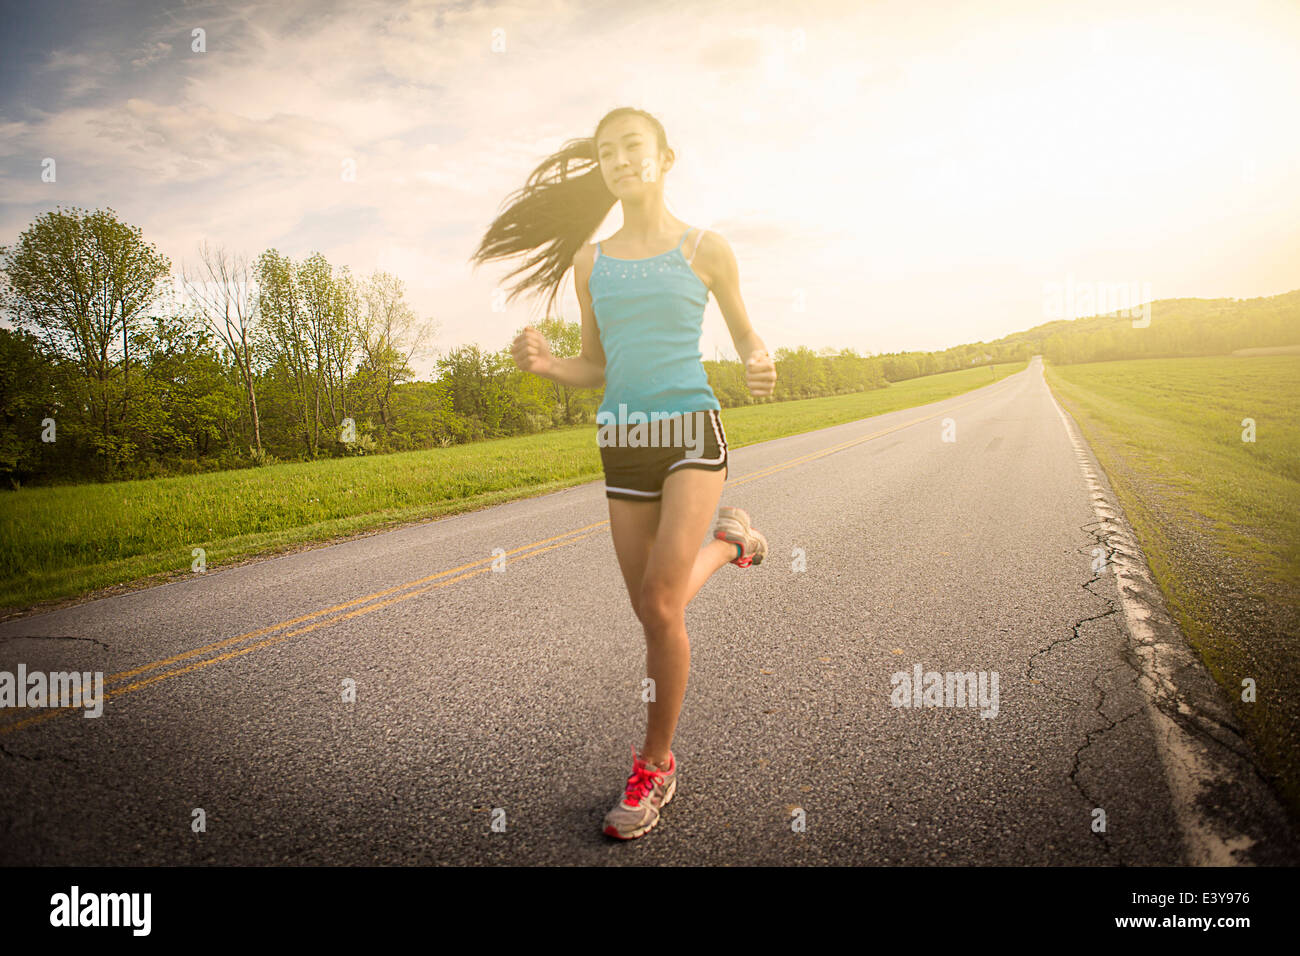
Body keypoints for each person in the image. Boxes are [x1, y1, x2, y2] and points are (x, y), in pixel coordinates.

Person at [471, 107, 777, 839]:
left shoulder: (707, 248)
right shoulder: (591, 263)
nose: (620, 160)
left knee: (662, 605)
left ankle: (654, 766)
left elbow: (744, 331)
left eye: (632, 146)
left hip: (690, 433)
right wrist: (548, 365)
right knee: (649, 610)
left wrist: (758, 357)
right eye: (607, 152)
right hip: (624, 439)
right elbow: (598, 364)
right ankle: (734, 542)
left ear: (665, 157)